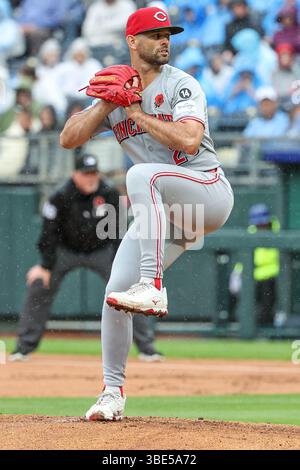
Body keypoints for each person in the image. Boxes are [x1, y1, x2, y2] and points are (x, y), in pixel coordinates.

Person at [60, 6, 234, 421]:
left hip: (206, 193)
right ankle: (112, 393)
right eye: (155, 35)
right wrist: (106, 106)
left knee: (143, 175)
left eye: (168, 34)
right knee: (115, 296)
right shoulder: (119, 91)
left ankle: (152, 285)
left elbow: (191, 141)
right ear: (132, 42)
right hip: (168, 215)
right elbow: (69, 138)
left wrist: (136, 113)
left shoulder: (182, 84)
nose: (165, 41)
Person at [9, 154, 163, 363]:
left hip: (101, 251)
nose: (91, 178)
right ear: (75, 175)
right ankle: (24, 348)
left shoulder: (108, 193)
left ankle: (147, 348)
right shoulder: (61, 195)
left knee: (130, 289)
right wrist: (45, 265)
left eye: (94, 173)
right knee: (39, 284)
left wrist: (123, 265)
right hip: (66, 251)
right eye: (86, 174)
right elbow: (49, 233)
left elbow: (120, 233)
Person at [229, 204, 280, 326]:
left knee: (266, 301)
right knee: (232, 294)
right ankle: (230, 327)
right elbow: (244, 260)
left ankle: (265, 329)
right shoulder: (251, 231)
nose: (260, 226)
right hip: (251, 275)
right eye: (258, 224)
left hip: (269, 277)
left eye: (263, 223)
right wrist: (237, 274)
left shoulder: (277, 230)